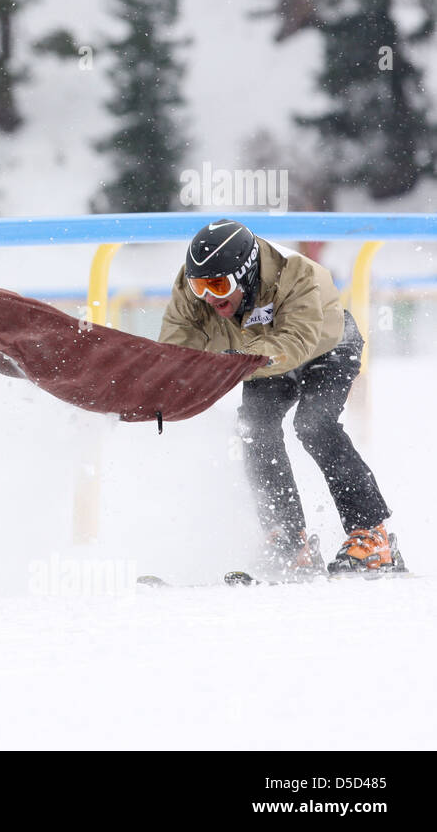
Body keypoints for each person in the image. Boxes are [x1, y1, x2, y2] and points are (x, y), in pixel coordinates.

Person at [159, 219, 398, 577]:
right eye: (199, 286)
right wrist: (160, 382)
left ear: (245, 272)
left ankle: (372, 535)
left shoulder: (299, 275)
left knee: (314, 424)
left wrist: (231, 363)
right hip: (257, 355)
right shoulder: (192, 287)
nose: (209, 296)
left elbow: (294, 342)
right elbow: (177, 346)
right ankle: (287, 536)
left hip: (327, 346)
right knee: (254, 426)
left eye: (219, 285)